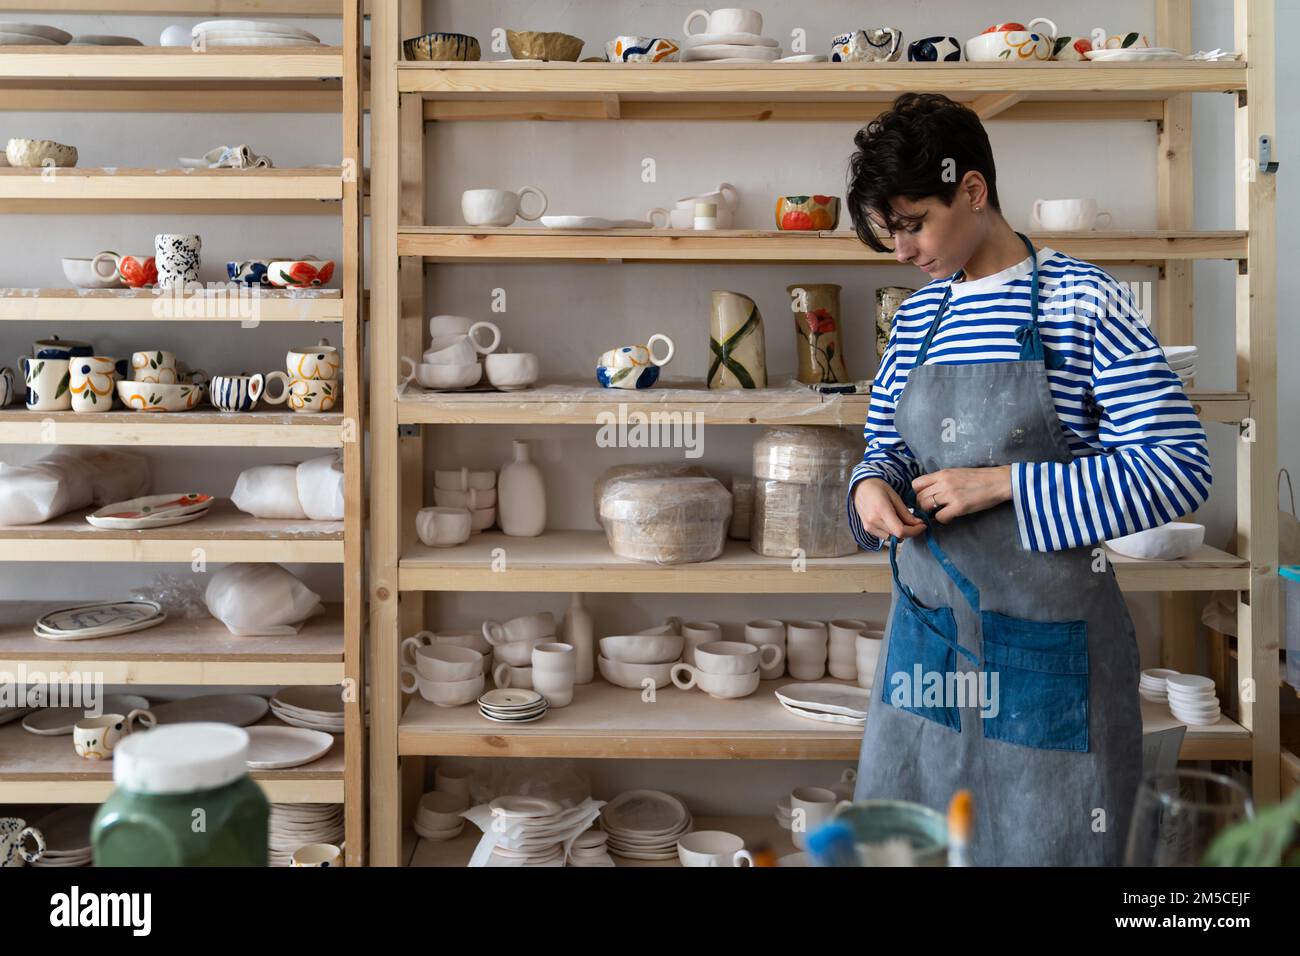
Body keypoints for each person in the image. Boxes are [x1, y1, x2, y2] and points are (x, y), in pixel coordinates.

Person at [844, 92, 1211, 865]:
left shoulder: (1083, 300)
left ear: (972, 190)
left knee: (1047, 842)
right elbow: (887, 447)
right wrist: (871, 488)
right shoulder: (917, 318)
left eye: (913, 224)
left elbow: (1178, 467)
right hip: (930, 641)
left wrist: (1004, 484)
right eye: (889, 234)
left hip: (1044, 655)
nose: (902, 251)